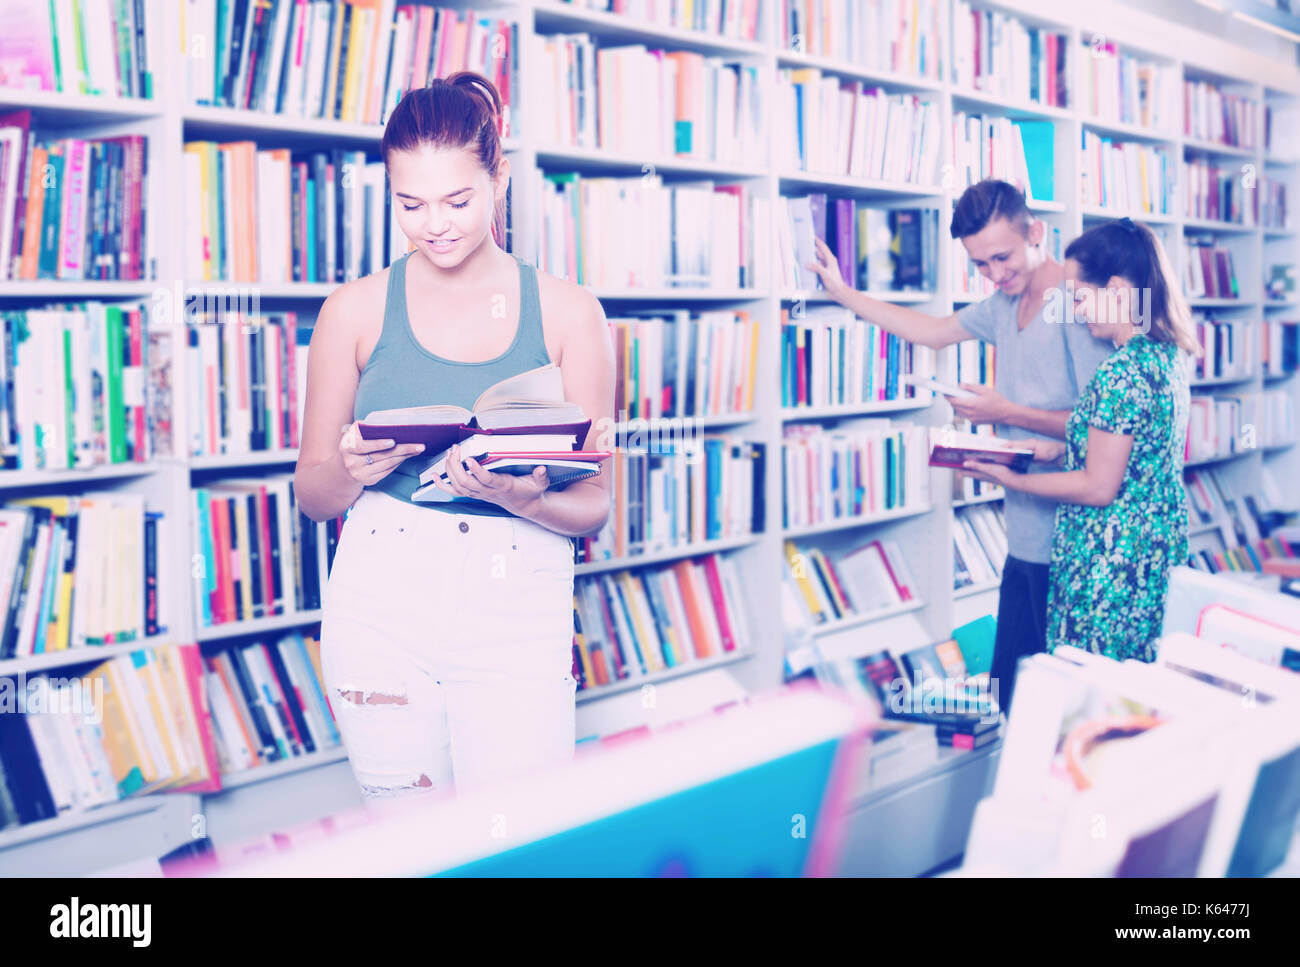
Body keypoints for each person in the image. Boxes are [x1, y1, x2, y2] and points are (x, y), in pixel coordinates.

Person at [293, 73, 614, 804]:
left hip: (518, 592)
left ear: (498, 176)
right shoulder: (351, 310)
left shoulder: (571, 313)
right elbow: (312, 494)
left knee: (522, 844)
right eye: (410, 203)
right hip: (380, 598)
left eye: (457, 200)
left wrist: (519, 497)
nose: (434, 223)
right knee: (412, 845)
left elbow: (596, 503)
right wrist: (350, 470)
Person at [806, 179, 1111, 712]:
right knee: (1010, 702)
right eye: (980, 264)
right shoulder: (1001, 304)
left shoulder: (1074, 302)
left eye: (1003, 257)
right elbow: (931, 330)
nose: (995, 274)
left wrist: (1005, 413)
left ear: (1036, 233)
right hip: (1023, 537)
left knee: (1057, 712)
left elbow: (1102, 431)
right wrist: (842, 293)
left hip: (1069, 544)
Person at [965, 218, 1196, 662]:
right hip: (1152, 553)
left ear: (1116, 290)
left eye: (1080, 297)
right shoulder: (1164, 357)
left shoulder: (1120, 372)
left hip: (1110, 564)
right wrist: (1058, 448)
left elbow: (1097, 486)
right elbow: (1136, 450)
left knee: (1085, 689)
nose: (1076, 309)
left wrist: (1013, 481)